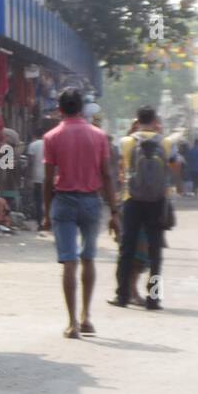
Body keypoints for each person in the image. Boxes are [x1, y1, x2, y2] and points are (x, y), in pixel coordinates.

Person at [43, 88, 120, 339]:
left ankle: (72, 323)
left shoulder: (52, 137)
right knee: (88, 258)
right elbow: (107, 175)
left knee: (69, 261)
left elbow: (46, 180)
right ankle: (87, 317)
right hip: (91, 202)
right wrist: (115, 212)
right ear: (82, 108)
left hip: (63, 201)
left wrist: (45, 212)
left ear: (60, 108)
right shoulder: (98, 136)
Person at [115, 106, 168, 310]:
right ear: (155, 120)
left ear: (137, 120)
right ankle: (154, 298)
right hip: (157, 201)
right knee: (155, 252)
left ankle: (122, 295)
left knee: (126, 248)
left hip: (132, 200)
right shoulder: (164, 142)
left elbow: (123, 168)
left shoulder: (127, 142)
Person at [26, 130, 47, 225]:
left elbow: (30, 163)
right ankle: (48, 221)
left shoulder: (33, 145)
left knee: (38, 200)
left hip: (36, 177)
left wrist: (28, 177)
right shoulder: (49, 144)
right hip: (48, 177)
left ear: (35, 135)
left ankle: (39, 222)